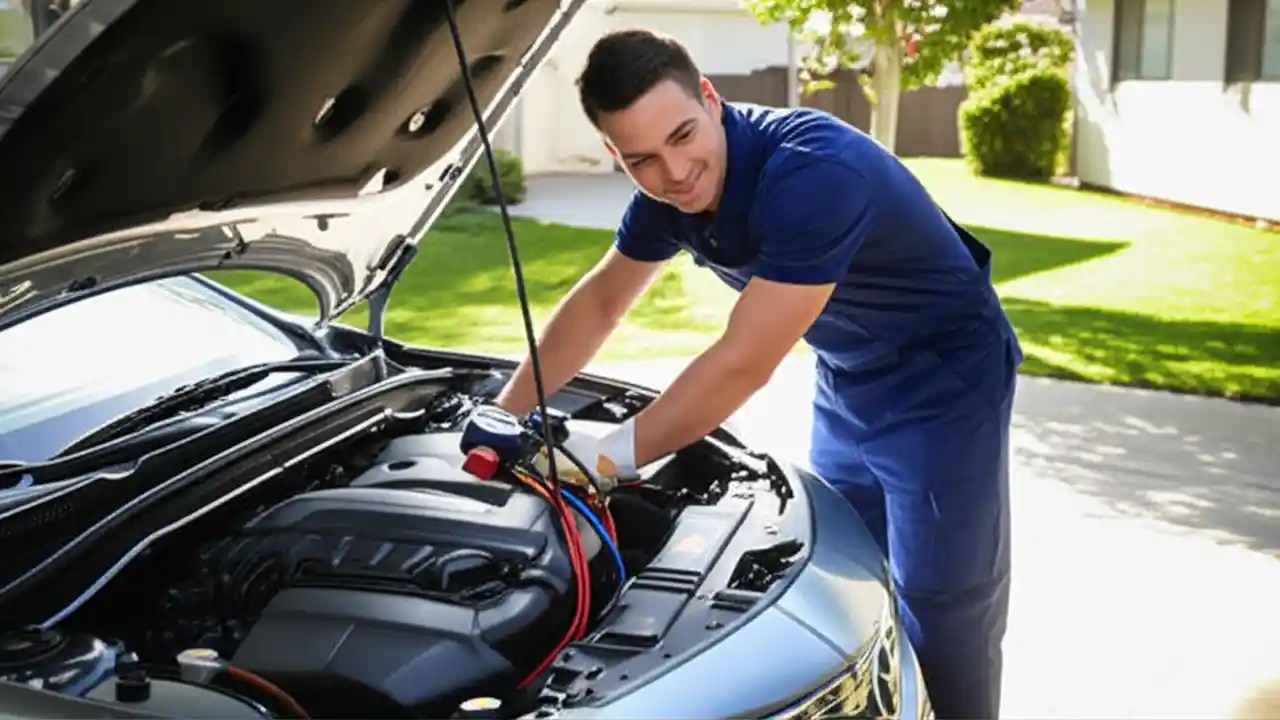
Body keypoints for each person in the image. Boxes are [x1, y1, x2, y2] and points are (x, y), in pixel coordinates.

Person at [494, 28, 1021, 719]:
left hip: (946, 378)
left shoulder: (815, 173)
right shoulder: (667, 192)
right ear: (615, 154)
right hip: (848, 370)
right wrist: (502, 415)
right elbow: (600, 302)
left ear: (710, 99)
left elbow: (742, 363)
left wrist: (606, 456)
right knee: (847, 574)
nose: (674, 173)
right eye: (641, 159)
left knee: (944, 601)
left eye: (683, 136)